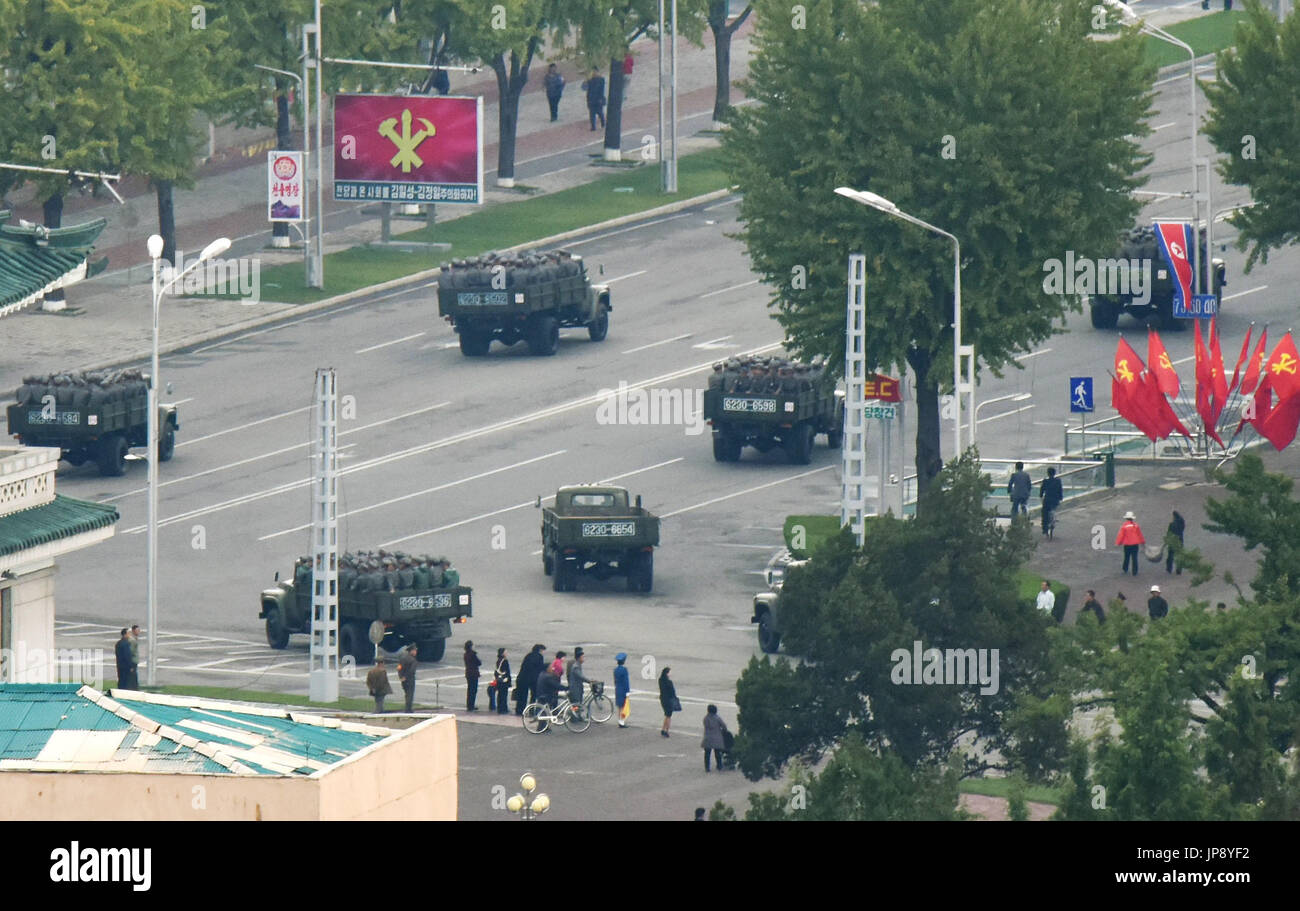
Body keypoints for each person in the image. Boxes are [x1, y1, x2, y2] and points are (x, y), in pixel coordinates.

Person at [516, 644, 546, 714]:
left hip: (522, 677)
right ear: (540, 650)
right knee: (533, 696)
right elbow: (540, 667)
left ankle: (520, 710)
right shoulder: (539, 656)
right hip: (533, 679)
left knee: (522, 696)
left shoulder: (528, 655)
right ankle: (531, 710)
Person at [1115, 511, 1145, 576]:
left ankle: (1125, 568)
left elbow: (1121, 536)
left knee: (1126, 557)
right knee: (1134, 558)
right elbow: (1140, 535)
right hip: (1135, 545)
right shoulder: (1136, 526)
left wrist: (1118, 543)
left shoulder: (1124, 526)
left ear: (1126, 518)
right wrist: (1142, 542)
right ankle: (1135, 571)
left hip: (1127, 545)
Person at [702, 704, 728, 772]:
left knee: (707, 754)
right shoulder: (717, 718)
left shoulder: (705, 718)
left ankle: (707, 767)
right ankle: (719, 766)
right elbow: (724, 726)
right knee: (717, 753)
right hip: (717, 737)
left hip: (707, 738)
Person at [1039, 467, 1063, 536]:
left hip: (1047, 500)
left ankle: (1044, 528)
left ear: (1048, 473)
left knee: (1044, 513)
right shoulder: (1058, 481)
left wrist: (1040, 495)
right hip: (1055, 500)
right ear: (1054, 473)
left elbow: (1042, 490)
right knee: (1053, 509)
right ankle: (1053, 520)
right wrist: (1060, 498)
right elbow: (1060, 490)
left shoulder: (1045, 481)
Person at [490, 648, 511, 714]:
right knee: (504, 695)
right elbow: (507, 671)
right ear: (502, 653)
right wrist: (509, 680)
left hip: (499, 680)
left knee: (500, 694)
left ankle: (500, 708)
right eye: (505, 652)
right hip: (504, 680)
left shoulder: (499, 660)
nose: (506, 653)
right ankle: (503, 708)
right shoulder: (504, 661)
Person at [398, 643, 418, 712]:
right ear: (411, 651)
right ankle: (408, 709)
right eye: (415, 650)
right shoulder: (413, 660)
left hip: (403, 680)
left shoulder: (403, 658)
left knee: (407, 694)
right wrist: (406, 677)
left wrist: (401, 677)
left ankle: (407, 708)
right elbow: (411, 671)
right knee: (410, 694)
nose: (416, 652)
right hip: (410, 680)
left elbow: (399, 668)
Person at [567, 647, 587, 716]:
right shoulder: (575, 666)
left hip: (578, 687)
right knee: (576, 703)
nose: (583, 659)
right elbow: (580, 676)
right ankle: (572, 714)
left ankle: (577, 715)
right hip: (575, 688)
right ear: (578, 658)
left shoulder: (578, 664)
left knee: (578, 703)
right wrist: (589, 681)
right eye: (582, 657)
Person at [613, 652, 631, 728]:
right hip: (623, 689)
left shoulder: (615, 670)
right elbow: (626, 681)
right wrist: (627, 691)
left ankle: (619, 720)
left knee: (619, 707)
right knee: (624, 707)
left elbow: (615, 681)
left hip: (618, 689)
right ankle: (622, 721)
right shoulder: (624, 670)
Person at [659, 667, 677, 738]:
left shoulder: (660, 680)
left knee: (666, 714)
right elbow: (672, 692)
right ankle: (666, 730)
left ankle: (663, 729)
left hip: (663, 699)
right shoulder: (669, 682)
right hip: (669, 700)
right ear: (667, 673)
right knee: (669, 716)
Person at [1166, 510, 1185, 574]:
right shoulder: (1182, 523)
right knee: (1179, 556)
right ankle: (1179, 570)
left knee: (1170, 556)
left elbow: (1169, 533)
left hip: (1173, 542)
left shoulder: (1172, 525)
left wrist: (1167, 540)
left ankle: (1169, 569)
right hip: (1180, 541)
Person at [464, 640, 481, 711]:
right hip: (473, 673)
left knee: (470, 689)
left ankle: (469, 705)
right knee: (473, 690)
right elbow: (479, 662)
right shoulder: (473, 654)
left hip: (468, 673)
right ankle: (471, 705)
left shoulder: (465, 654)